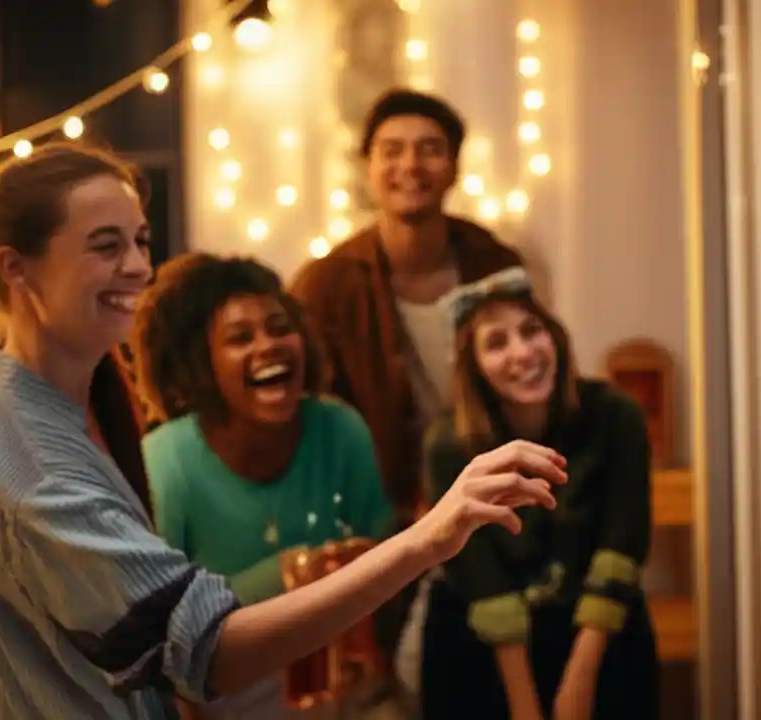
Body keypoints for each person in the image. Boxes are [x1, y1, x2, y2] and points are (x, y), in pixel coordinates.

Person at [0, 142, 567, 720]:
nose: (139, 267)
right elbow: (207, 654)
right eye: (105, 245)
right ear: (15, 269)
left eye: (141, 240)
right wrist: (433, 535)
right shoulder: (34, 455)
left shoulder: (20, 384)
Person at [130, 252, 396, 718]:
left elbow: (383, 561)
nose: (268, 345)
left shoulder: (340, 428)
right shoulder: (164, 463)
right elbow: (159, 638)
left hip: (341, 683)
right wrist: (289, 570)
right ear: (201, 364)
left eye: (279, 327)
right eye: (239, 337)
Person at [419, 267, 660, 719]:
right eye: (496, 343)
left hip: (596, 629)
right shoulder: (448, 446)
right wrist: (526, 706)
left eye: (532, 330)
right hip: (485, 643)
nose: (523, 353)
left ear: (555, 336)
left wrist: (580, 681)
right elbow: (481, 580)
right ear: (473, 367)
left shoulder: (615, 415)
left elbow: (622, 547)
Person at [290, 88, 523, 530]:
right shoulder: (326, 283)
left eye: (430, 150)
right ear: (369, 169)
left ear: (454, 167)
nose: (411, 166)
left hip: (491, 496)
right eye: (392, 151)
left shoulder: (493, 263)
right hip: (377, 514)